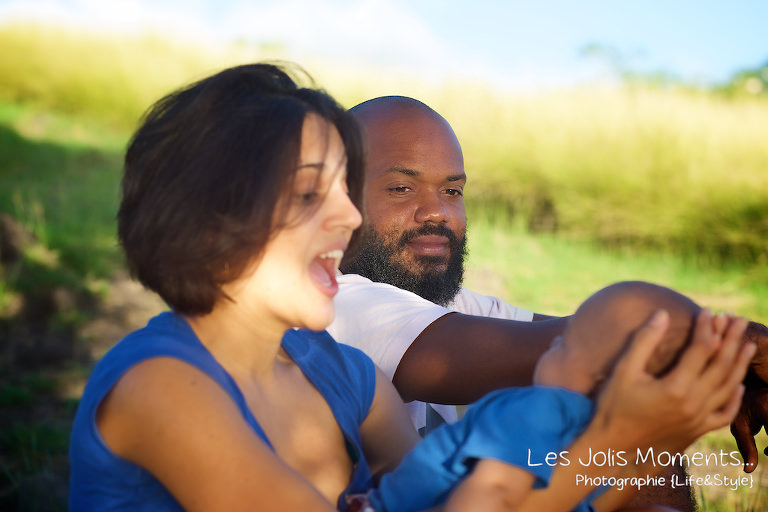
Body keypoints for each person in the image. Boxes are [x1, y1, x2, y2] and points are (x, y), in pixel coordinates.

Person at [68, 63, 752, 511]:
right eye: (311, 193)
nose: (347, 217)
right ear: (214, 214)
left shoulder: (346, 378)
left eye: (345, 190)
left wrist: (643, 436)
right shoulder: (164, 384)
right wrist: (617, 443)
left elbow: (457, 501)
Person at [328, 95, 768, 468]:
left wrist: (731, 370)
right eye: (401, 189)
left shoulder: (445, 307)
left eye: (452, 191)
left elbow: (572, 338)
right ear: (337, 200)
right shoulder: (337, 306)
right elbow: (585, 347)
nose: (438, 212)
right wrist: (733, 345)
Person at [361, 281, 752, 512]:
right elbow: (486, 496)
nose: (549, 345)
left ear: (607, 379)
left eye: (564, 343)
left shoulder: (554, 415)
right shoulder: (533, 411)